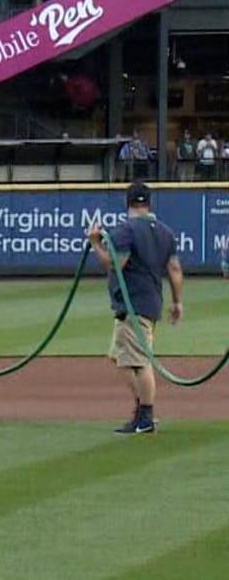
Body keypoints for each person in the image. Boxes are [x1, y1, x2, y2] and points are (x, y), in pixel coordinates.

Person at [88, 181, 184, 434]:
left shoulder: (126, 230)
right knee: (120, 357)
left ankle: (146, 416)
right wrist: (177, 302)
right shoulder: (165, 232)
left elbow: (115, 264)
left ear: (128, 202)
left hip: (133, 304)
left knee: (139, 362)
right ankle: (142, 409)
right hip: (150, 302)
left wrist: (95, 243)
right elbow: (174, 270)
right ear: (149, 203)